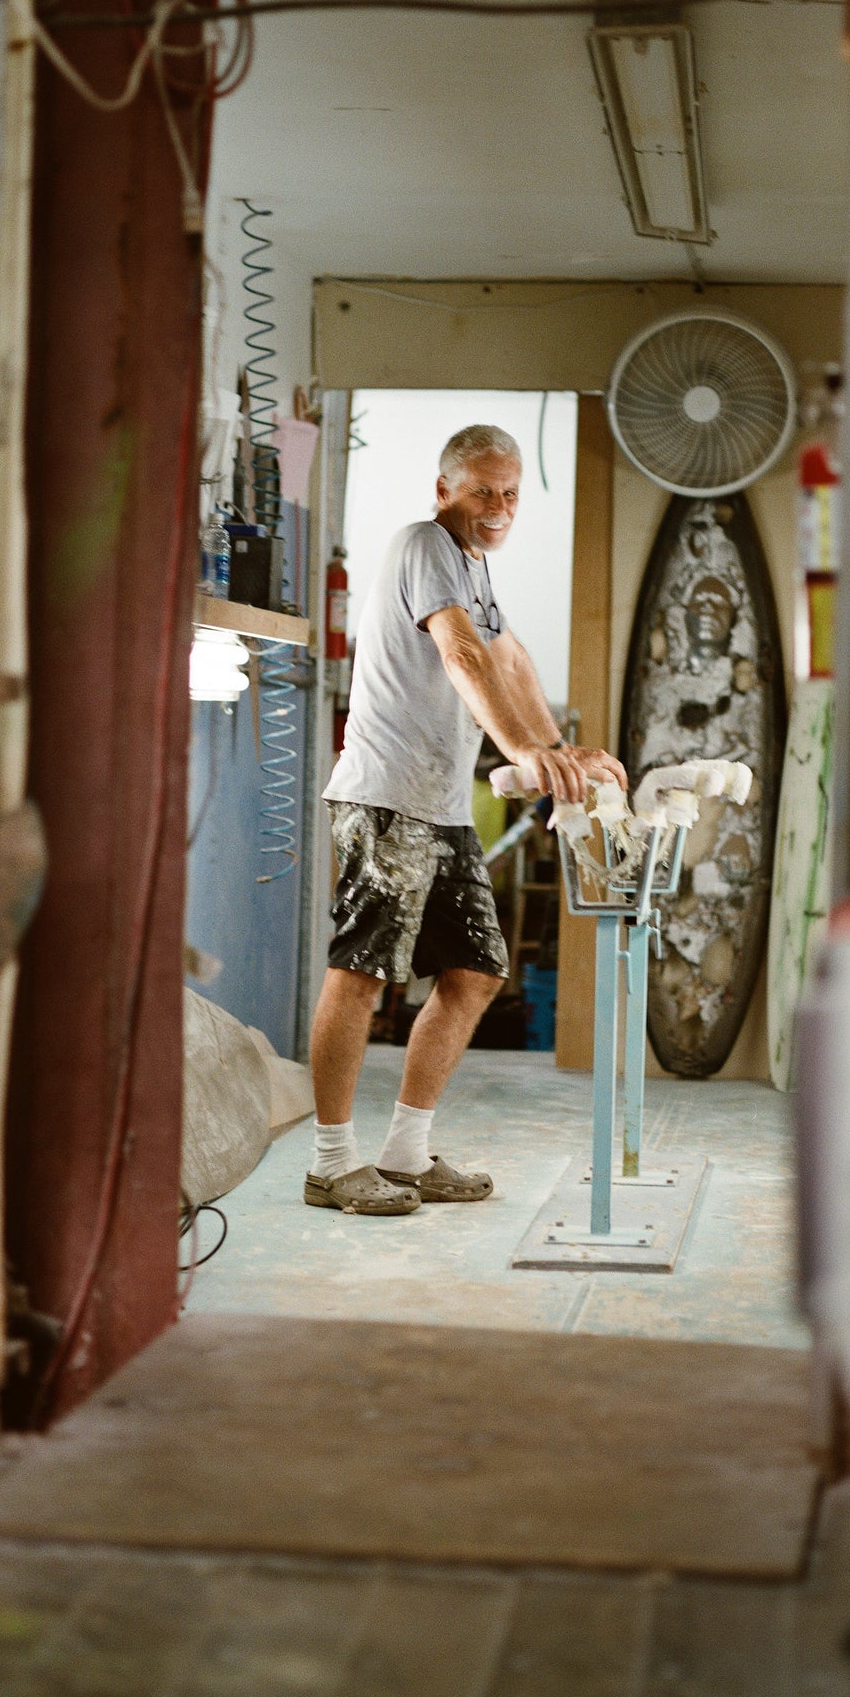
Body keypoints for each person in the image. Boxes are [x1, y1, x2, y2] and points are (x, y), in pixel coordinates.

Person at [306, 422, 627, 1215]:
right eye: (483, 491)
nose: (499, 507)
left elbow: (508, 657)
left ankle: (405, 1154)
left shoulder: (474, 567)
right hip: (385, 797)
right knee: (361, 975)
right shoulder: (425, 545)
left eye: (511, 493)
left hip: (440, 807)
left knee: (477, 972)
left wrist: (558, 749)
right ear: (444, 490)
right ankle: (330, 1164)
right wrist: (522, 747)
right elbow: (463, 654)